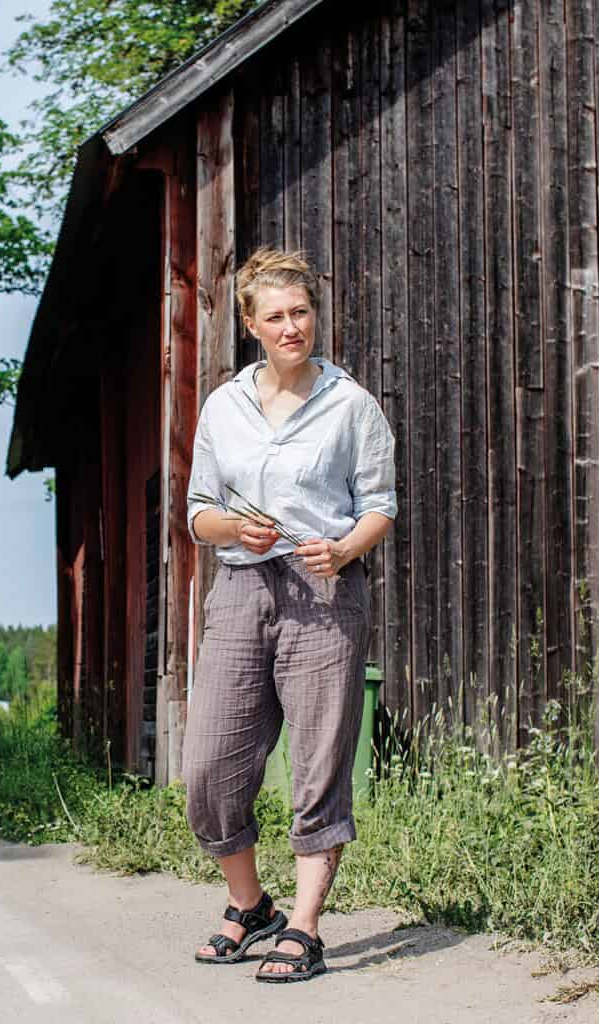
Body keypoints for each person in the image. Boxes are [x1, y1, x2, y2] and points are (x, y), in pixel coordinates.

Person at [183, 247, 396, 983]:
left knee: (318, 761)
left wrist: (342, 551)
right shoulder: (223, 406)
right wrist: (234, 530)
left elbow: (379, 507)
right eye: (274, 315)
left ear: (315, 316)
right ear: (250, 323)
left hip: (323, 590)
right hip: (241, 590)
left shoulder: (351, 405)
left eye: (300, 312)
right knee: (209, 765)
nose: (290, 326)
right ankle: (251, 907)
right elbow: (198, 512)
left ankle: (304, 927)